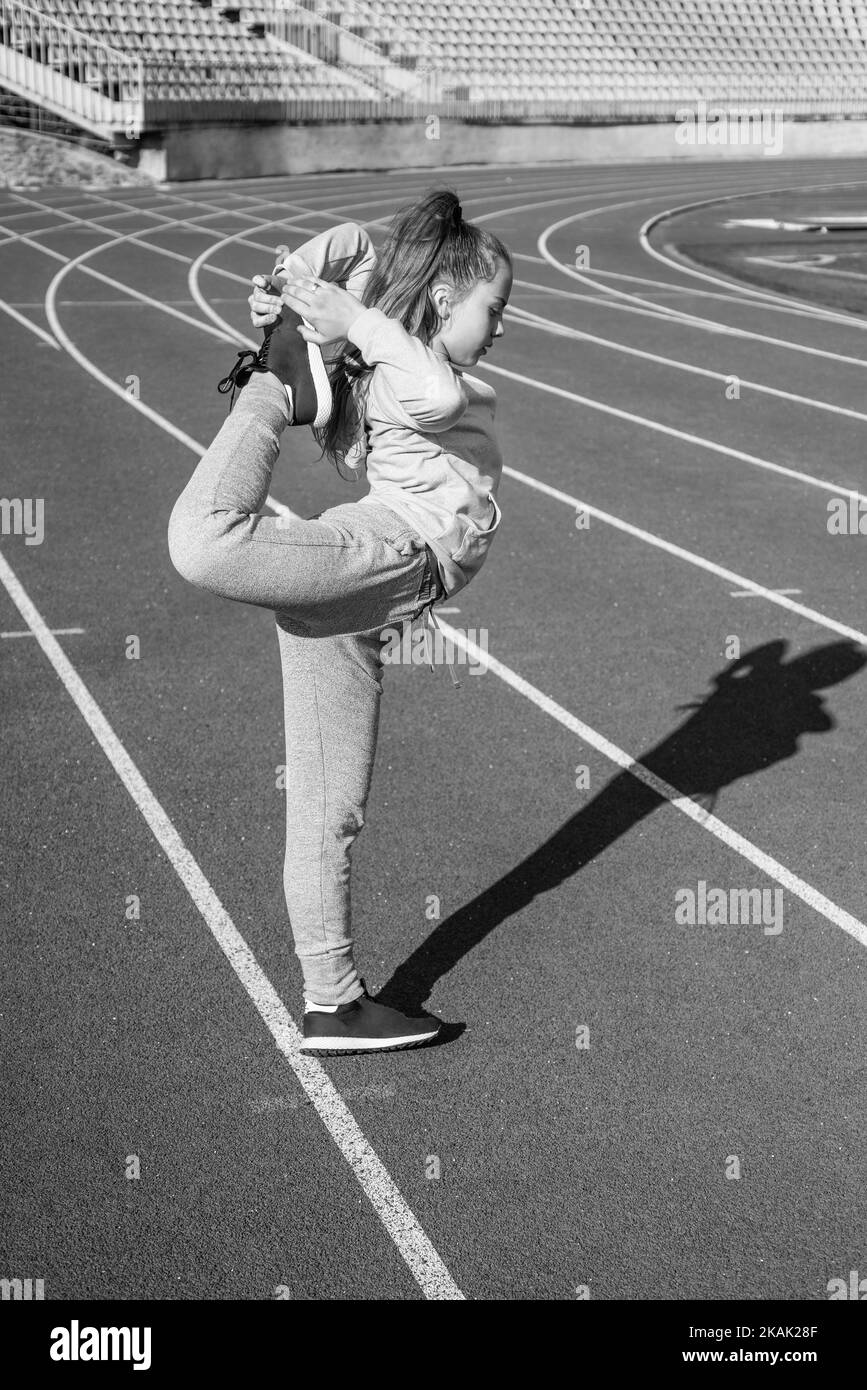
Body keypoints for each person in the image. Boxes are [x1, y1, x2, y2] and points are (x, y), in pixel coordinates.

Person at [167, 189, 512, 1054]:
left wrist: (301, 298)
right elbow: (416, 370)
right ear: (442, 298)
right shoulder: (409, 362)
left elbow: (406, 361)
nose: (502, 327)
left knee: (327, 809)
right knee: (206, 545)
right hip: (386, 551)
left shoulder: (403, 366)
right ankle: (267, 391)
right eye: (493, 309)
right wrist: (316, 307)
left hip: (355, 605)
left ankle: (333, 1000)